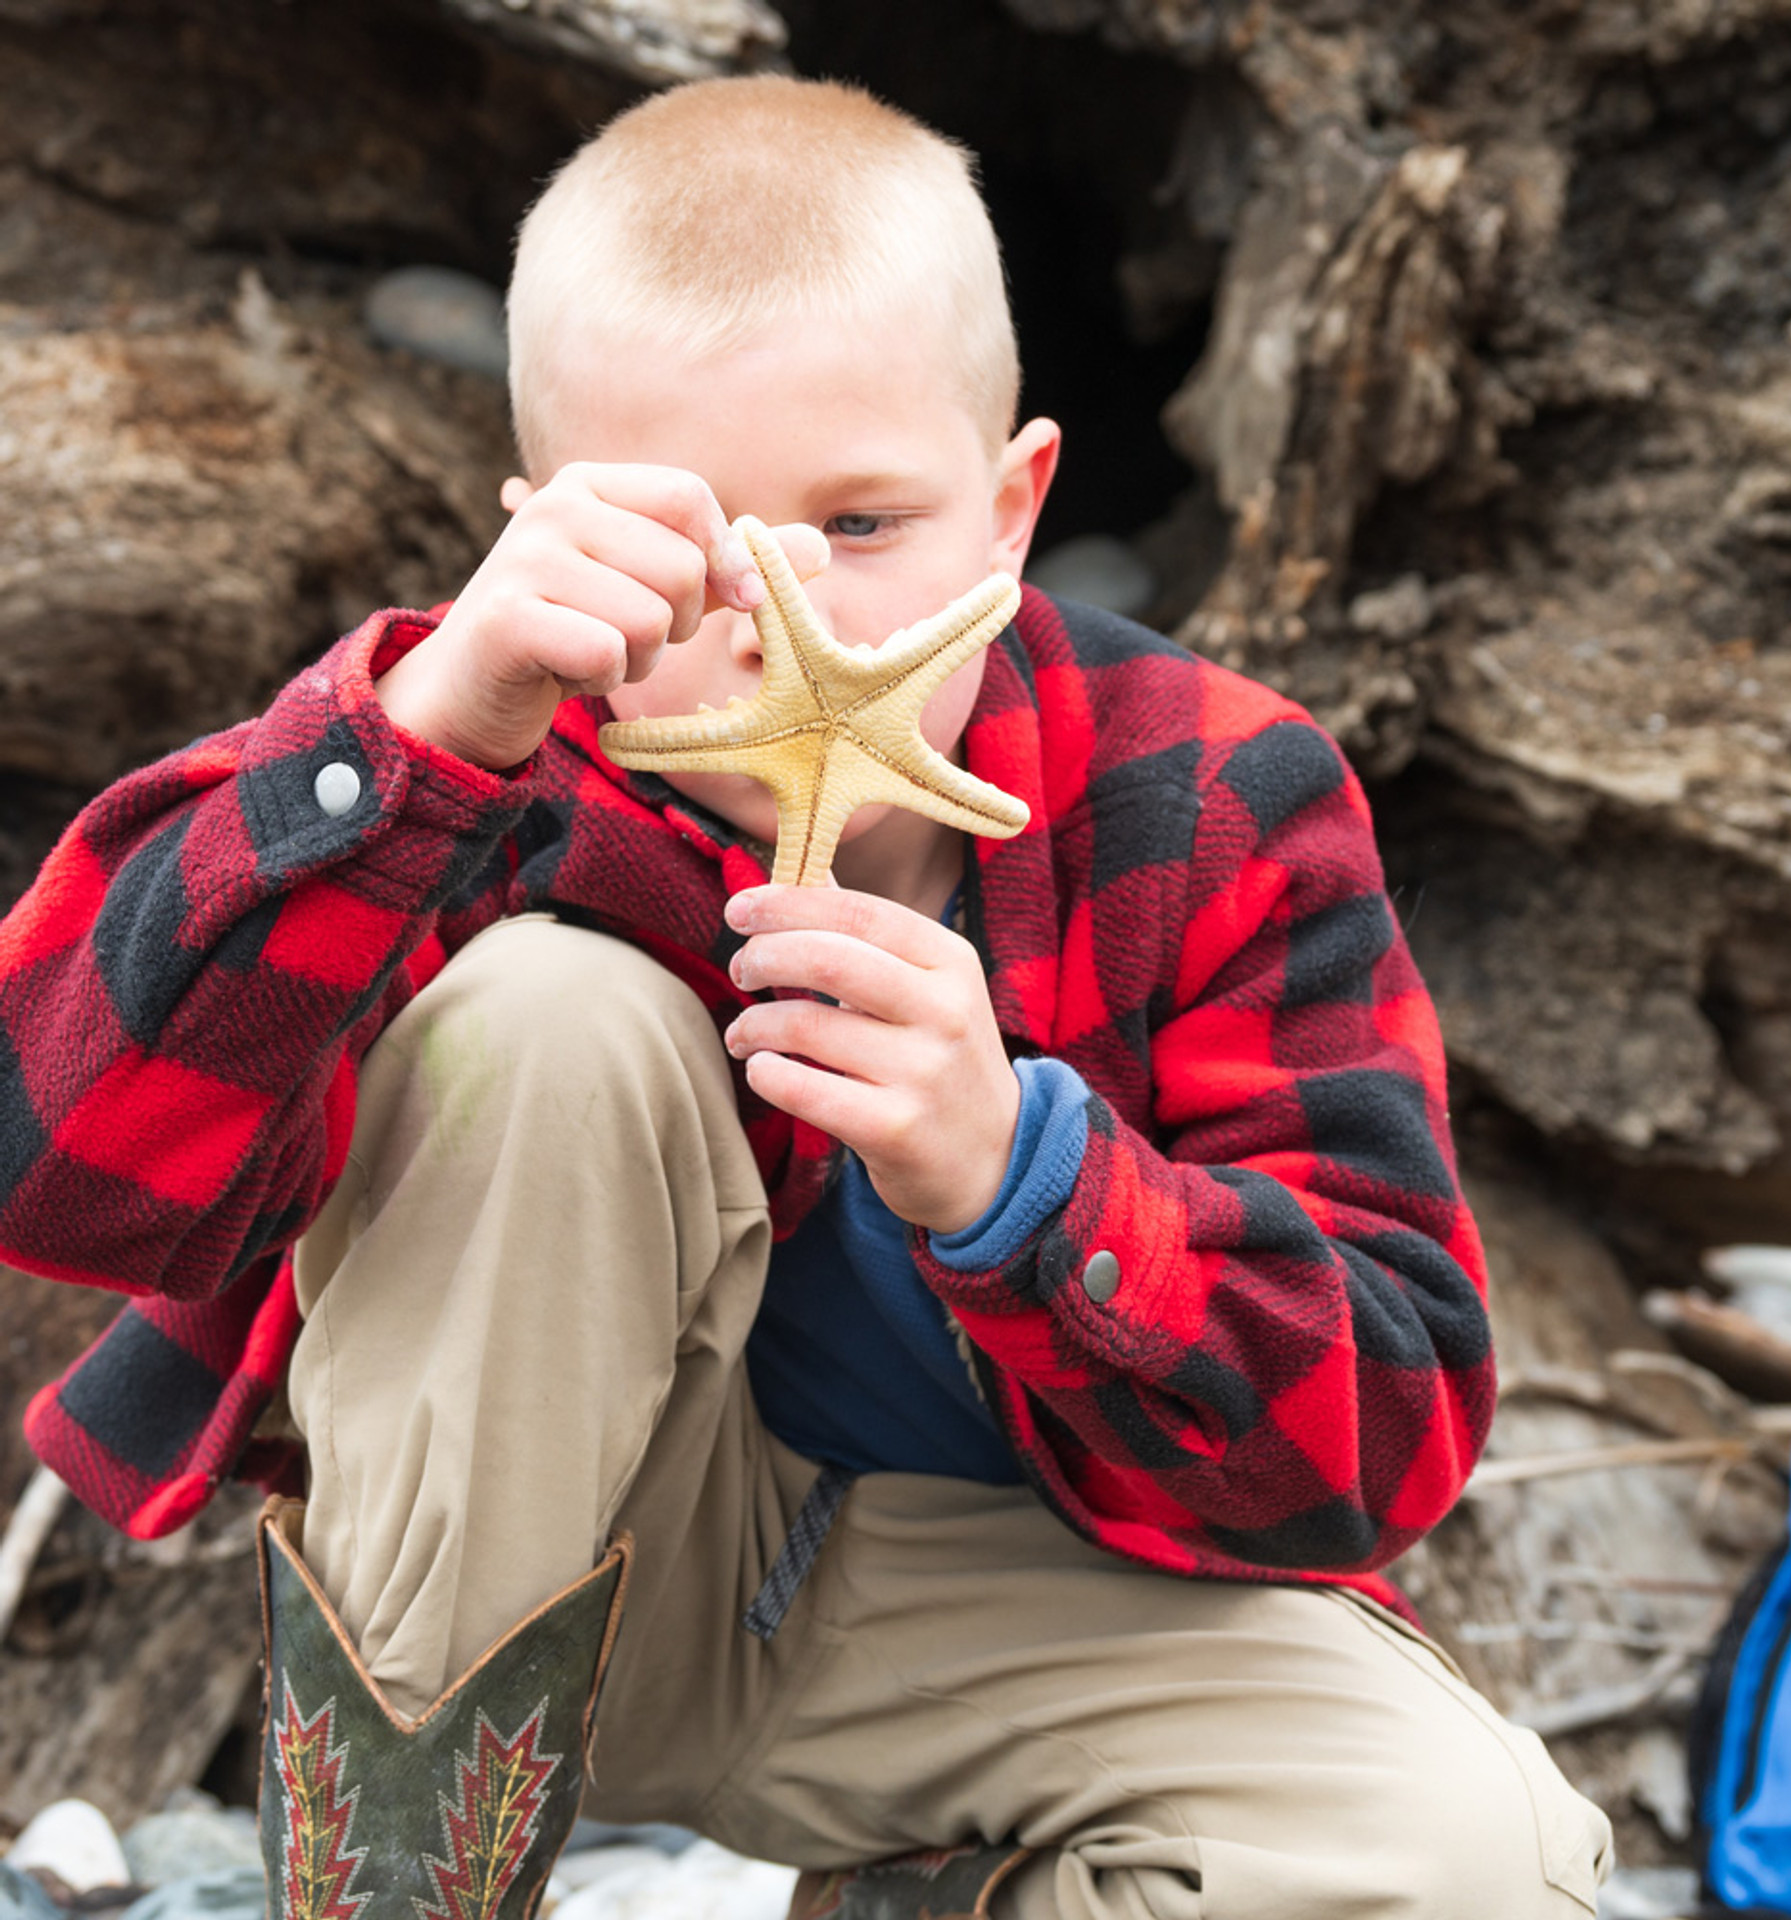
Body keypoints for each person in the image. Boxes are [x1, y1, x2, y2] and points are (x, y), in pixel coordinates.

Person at [0, 74, 1612, 1919]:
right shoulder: (471, 766)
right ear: (544, 532)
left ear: (1012, 511)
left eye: (859, 524)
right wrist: (418, 732)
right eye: (689, 542)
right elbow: (49, 1171)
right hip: (559, 1576)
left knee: (1484, 1864)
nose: (780, 621)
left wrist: (1026, 1176)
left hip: (1001, 1607)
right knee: (550, 1020)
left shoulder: (1211, 794)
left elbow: (1389, 1436)